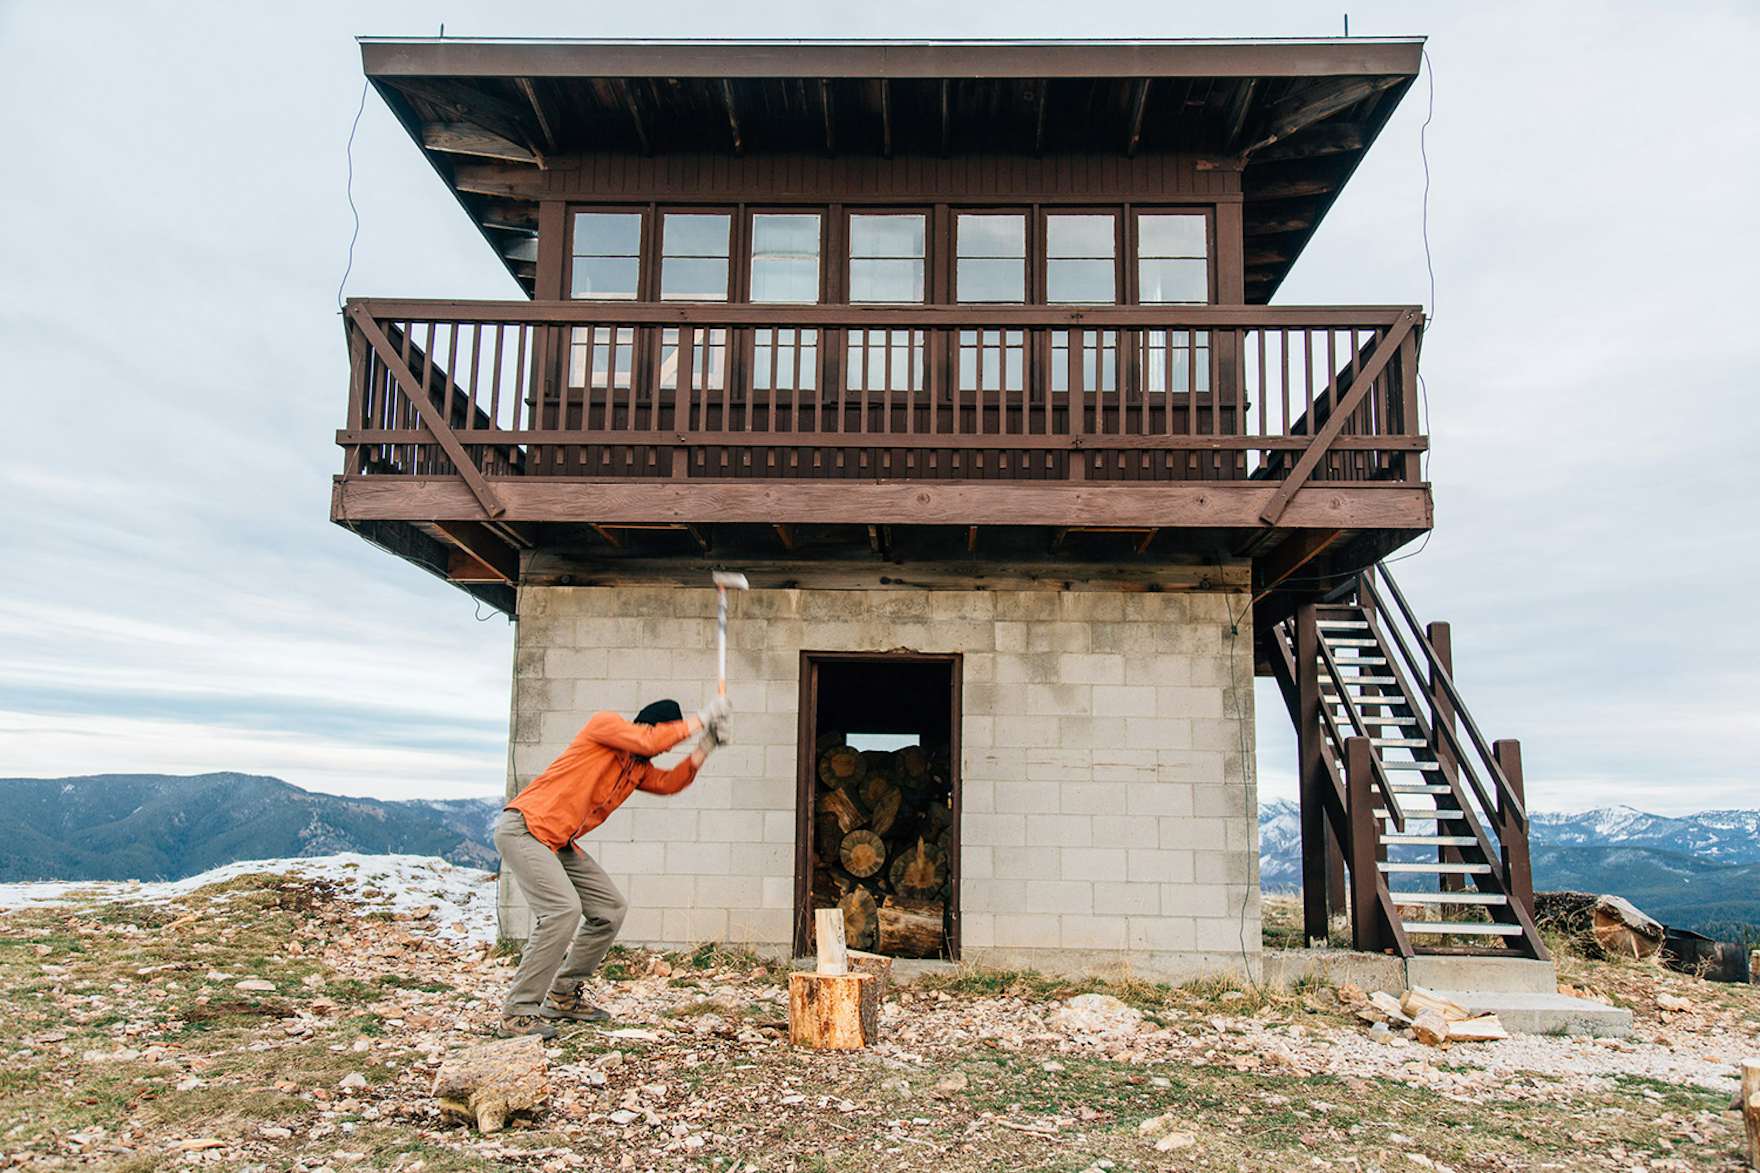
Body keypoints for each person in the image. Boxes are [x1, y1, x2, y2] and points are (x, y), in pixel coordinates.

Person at [492, 695, 732, 1038]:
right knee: (562, 911)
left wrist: (705, 746)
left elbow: (668, 783)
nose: (661, 750)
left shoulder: (636, 768)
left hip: (558, 841)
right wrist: (701, 720)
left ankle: (562, 996)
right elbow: (652, 740)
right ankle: (518, 1013)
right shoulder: (604, 726)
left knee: (609, 908)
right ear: (649, 728)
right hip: (526, 828)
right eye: (663, 739)